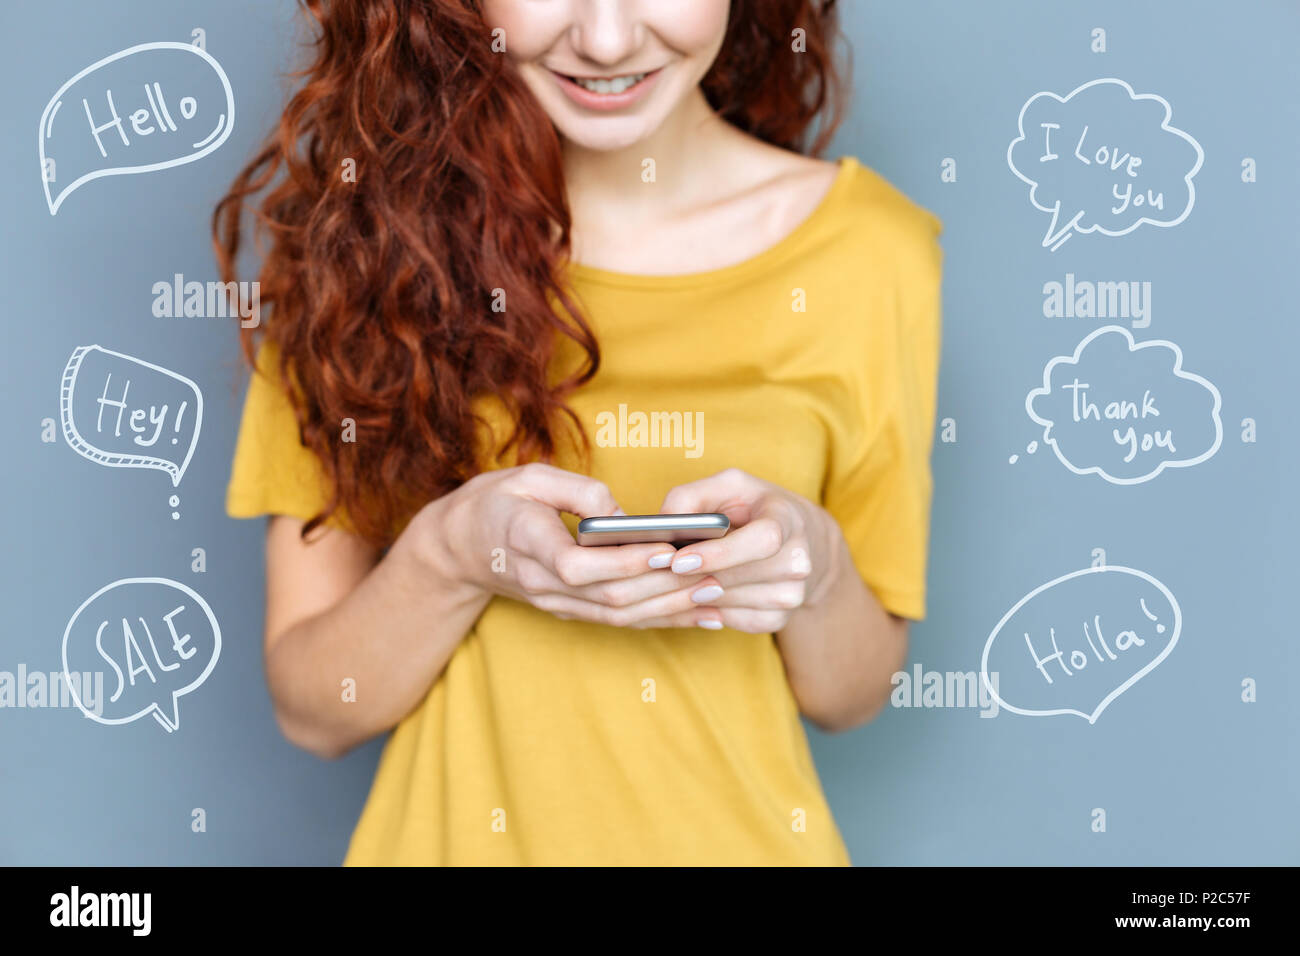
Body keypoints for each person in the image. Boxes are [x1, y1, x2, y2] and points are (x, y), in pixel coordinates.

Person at [216, 0, 943, 865]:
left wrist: (814, 568)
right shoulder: (358, 248)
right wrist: (453, 554)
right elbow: (313, 711)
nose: (606, 39)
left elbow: (849, 696)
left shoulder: (873, 252)